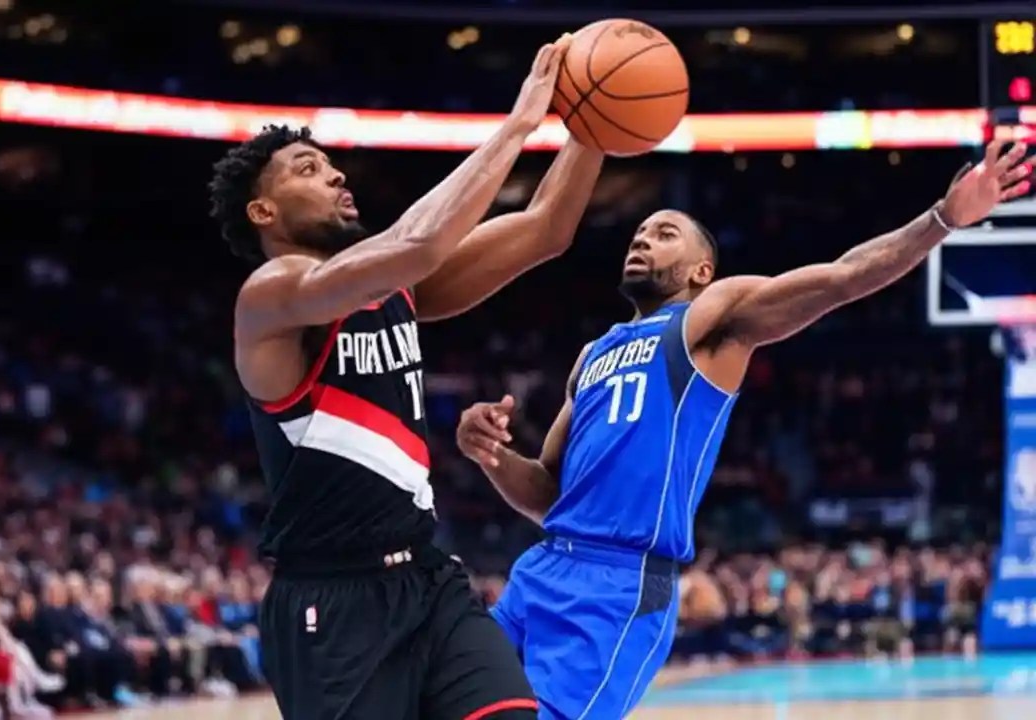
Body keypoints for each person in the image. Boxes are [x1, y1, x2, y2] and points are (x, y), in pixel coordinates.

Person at [455, 139, 1031, 719]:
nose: (642, 239)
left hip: (619, 584)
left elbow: (841, 277)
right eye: (640, 233)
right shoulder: (592, 355)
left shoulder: (709, 319)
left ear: (701, 271)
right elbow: (548, 494)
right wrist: (491, 454)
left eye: (664, 233)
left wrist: (942, 219)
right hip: (542, 567)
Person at [207, 32, 604, 720]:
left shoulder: (393, 283)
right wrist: (519, 124)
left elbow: (545, 228)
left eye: (332, 165)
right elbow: (416, 243)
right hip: (333, 606)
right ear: (263, 211)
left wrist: (593, 123)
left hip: (429, 580)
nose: (336, 176)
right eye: (308, 169)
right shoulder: (270, 297)